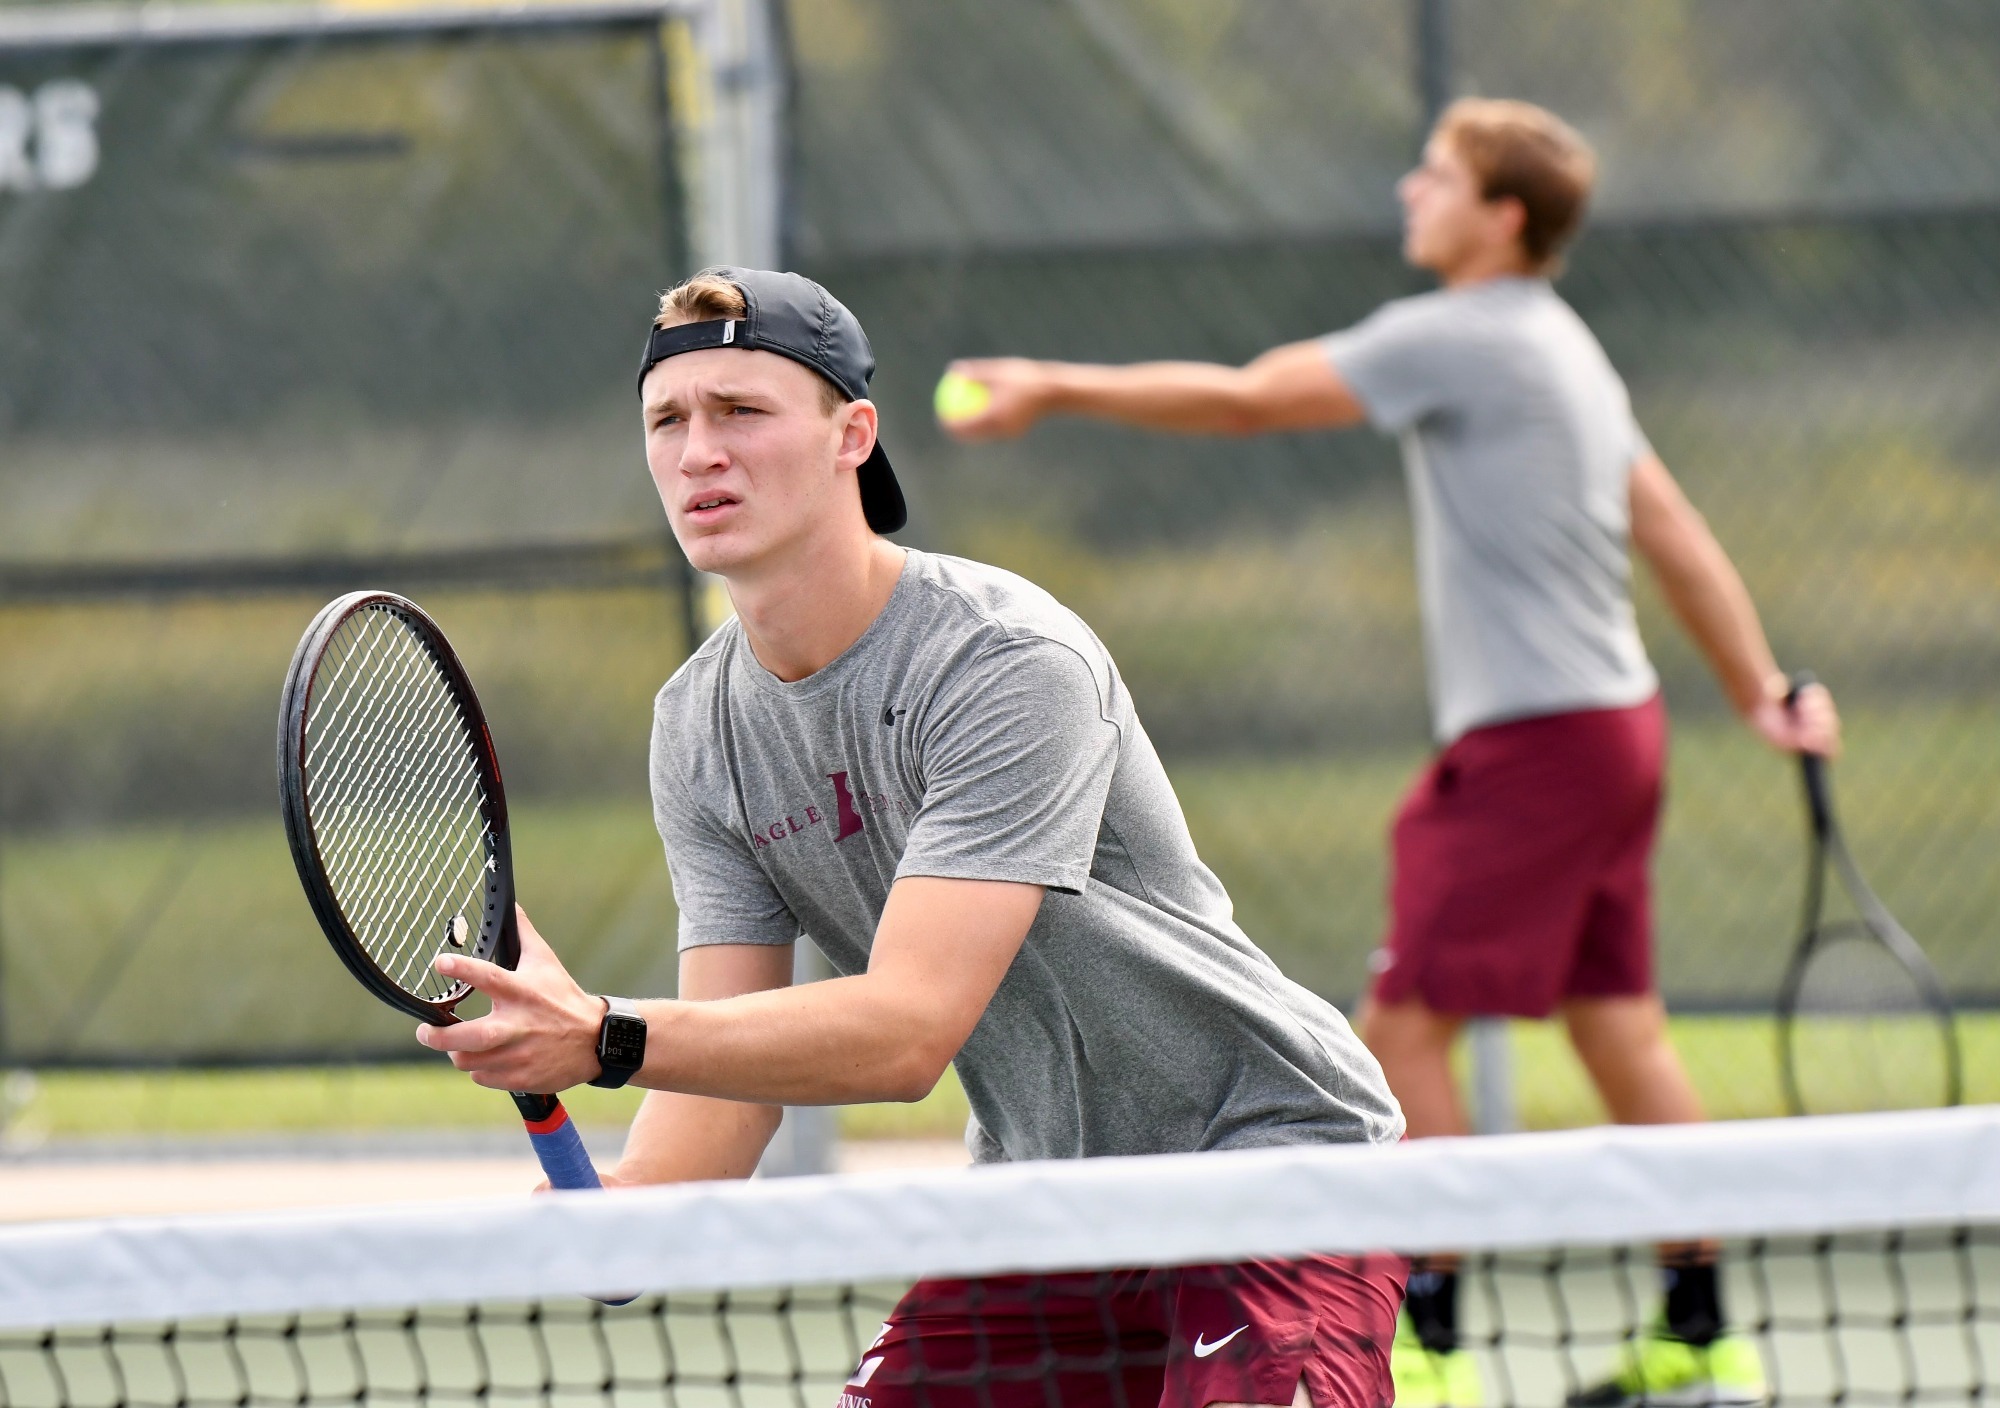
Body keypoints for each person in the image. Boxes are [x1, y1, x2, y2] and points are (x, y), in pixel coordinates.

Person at [935, 98, 1841, 1408]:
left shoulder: (1460, 334)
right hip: (1616, 733)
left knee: (1397, 1035)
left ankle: (1432, 1338)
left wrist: (1052, 385)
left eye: (1438, 175)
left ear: (1503, 217)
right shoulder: (1567, 347)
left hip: (1534, 749)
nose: (1411, 191)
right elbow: (1674, 529)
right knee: (1620, 1031)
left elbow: (1248, 400)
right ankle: (1703, 1336)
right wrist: (1758, 690)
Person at [416, 266, 1411, 1408]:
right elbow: (729, 1081)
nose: (699, 453)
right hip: (1040, 1205)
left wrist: (603, 1035)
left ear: (853, 435)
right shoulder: (697, 726)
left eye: (740, 411)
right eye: (667, 421)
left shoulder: (1003, 659)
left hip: (1268, 1166)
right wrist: (634, 1203)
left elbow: (906, 1032)